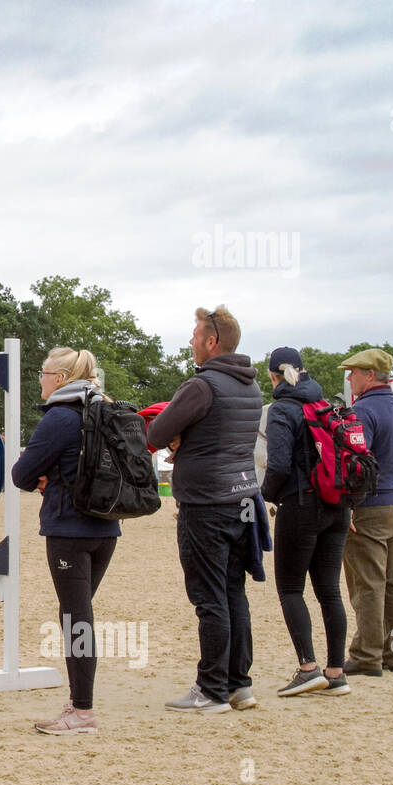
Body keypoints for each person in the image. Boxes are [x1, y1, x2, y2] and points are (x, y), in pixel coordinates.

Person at [146, 306, 262, 714]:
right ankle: (238, 683)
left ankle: (210, 689)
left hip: (206, 503)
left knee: (208, 597)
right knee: (234, 593)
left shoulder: (201, 386)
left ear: (212, 342)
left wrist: (179, 439)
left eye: (195, 336)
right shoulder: (251, 387)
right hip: (242, 498)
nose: (191, 342)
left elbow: (156, 433)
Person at [11, 347, 119, 734]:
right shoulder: (104, 409)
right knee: (77, 613)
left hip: (68, 529)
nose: (39, 379)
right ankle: (78, 702)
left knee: (76, 618)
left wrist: (45, 478)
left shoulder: (59, 417)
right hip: (107, 527)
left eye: (43, 373)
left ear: (59, 378)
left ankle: (83, 712)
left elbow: (22, 474)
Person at [260, 348, 349, 697]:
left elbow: (279, 464)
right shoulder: (324, 403)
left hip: (301, 503)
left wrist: (267, 494)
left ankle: (308, 667)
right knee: (329, 590)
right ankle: (336, 672)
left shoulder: (283, 409)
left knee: (290, 589)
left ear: (273, 376)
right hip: (337, 504)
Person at [339, 349, 393, 676]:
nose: (349, 378)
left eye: (353, 372)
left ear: (370, 375)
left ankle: (366, 656)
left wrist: (349, 506)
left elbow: (358, 464)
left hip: (370, 505)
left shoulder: (362, 411)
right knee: (392, 580)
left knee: (367, 583)